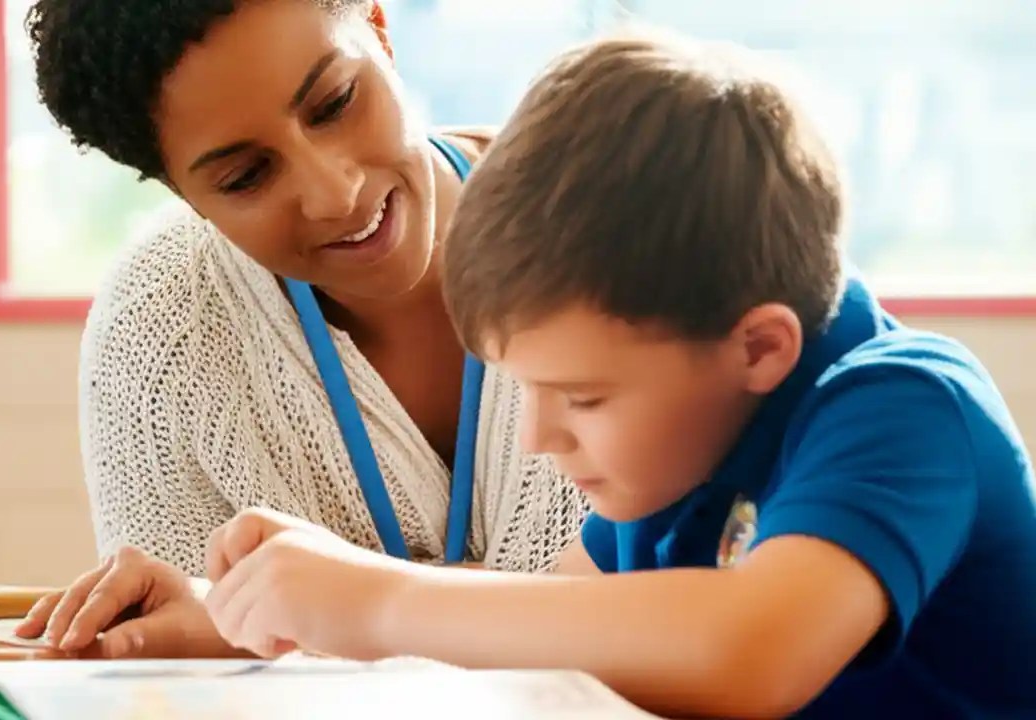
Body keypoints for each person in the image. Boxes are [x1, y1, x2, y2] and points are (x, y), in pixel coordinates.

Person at [66, 29, 1036, 718]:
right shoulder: (675, 450)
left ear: (758, 350)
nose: (535, 436)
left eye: (581, 397)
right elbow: (533, 623)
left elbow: (749, 650)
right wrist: (253, 613)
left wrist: (374, 600)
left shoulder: (905, 409)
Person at [14, 0, 588, 657]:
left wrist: (315, 614)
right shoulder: (161, 324)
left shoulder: (617, 224)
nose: (334, 193)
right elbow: (191, 670)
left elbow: (665, 612)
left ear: (378, 29)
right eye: (246, 177)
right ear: (182, 193)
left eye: (335, 103)